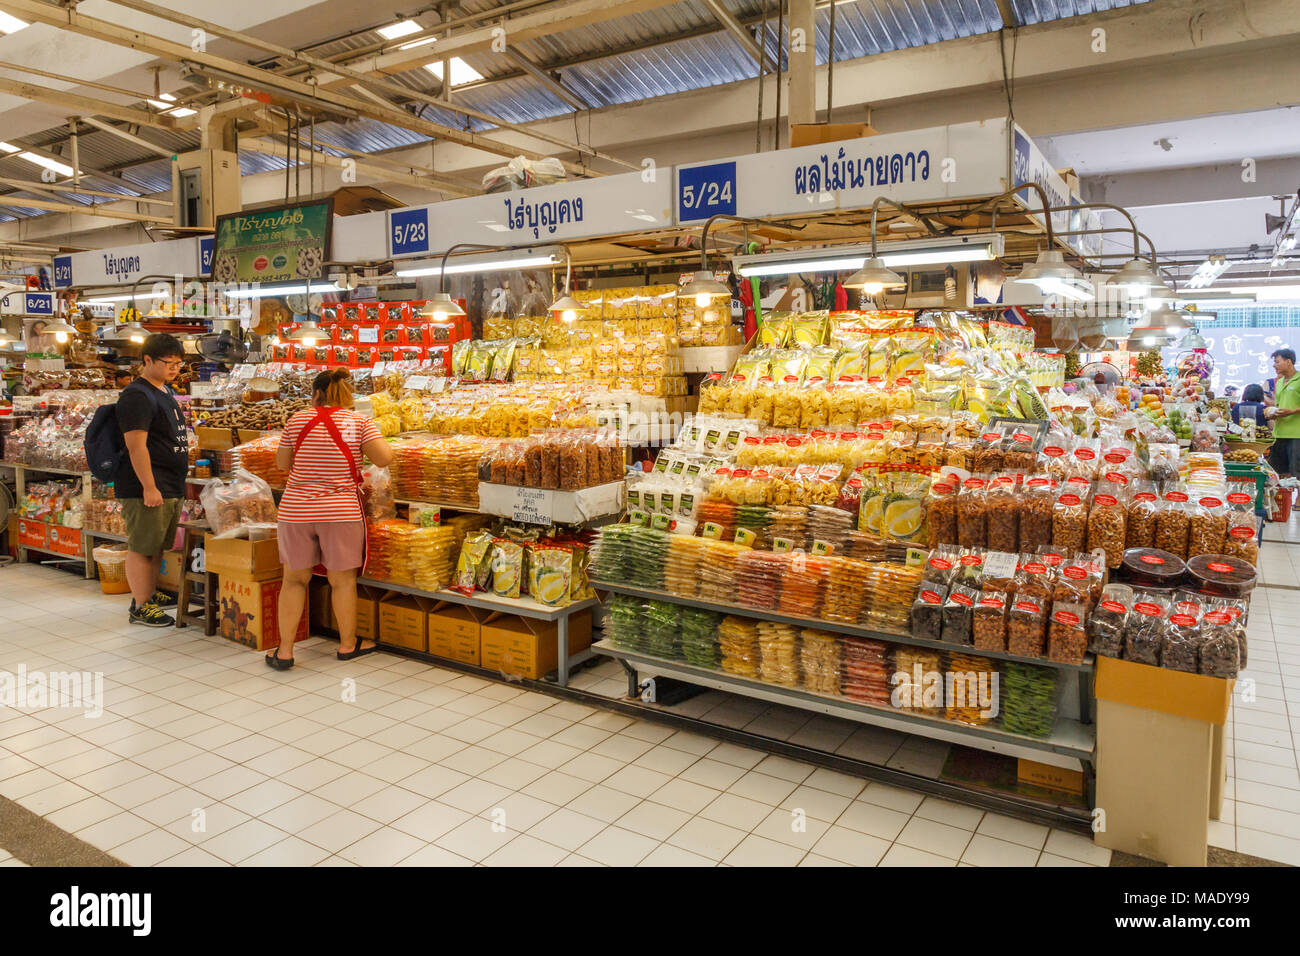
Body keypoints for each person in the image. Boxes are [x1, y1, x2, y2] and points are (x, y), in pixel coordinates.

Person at [266, 368, 392, 670]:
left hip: (296, 510)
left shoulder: (298, 419)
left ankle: (284, 652)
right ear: (347, 394)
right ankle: (348, 645)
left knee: (294, 580)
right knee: (342, 580)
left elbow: (282, 463)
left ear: (316, 393)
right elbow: (385, 458)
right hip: (340, 511)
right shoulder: (359, 421)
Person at [116, 333, 189, 627]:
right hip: (147, 485)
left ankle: (148, 592)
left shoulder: (164, 392)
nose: (174, 369)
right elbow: (136, 445)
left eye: (178, 363)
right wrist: (149, 485)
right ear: (147, 360)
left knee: (157, 544)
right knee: (142, 547)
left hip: (169, 482)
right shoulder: (137, 395)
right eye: (167, 363)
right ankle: (140, 605)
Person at [1265, 349, 1300, 476]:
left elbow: (1289, 409)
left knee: (1297, 474)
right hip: (1279, 434)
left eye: (1277, 362)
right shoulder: (1279, 382)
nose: (1274, 365)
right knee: (1278, 473)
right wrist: (1272, 413)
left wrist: (1291, 412)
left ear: (1289, 362)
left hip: (1297, 435)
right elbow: (1279, 405)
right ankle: (1283, 496)